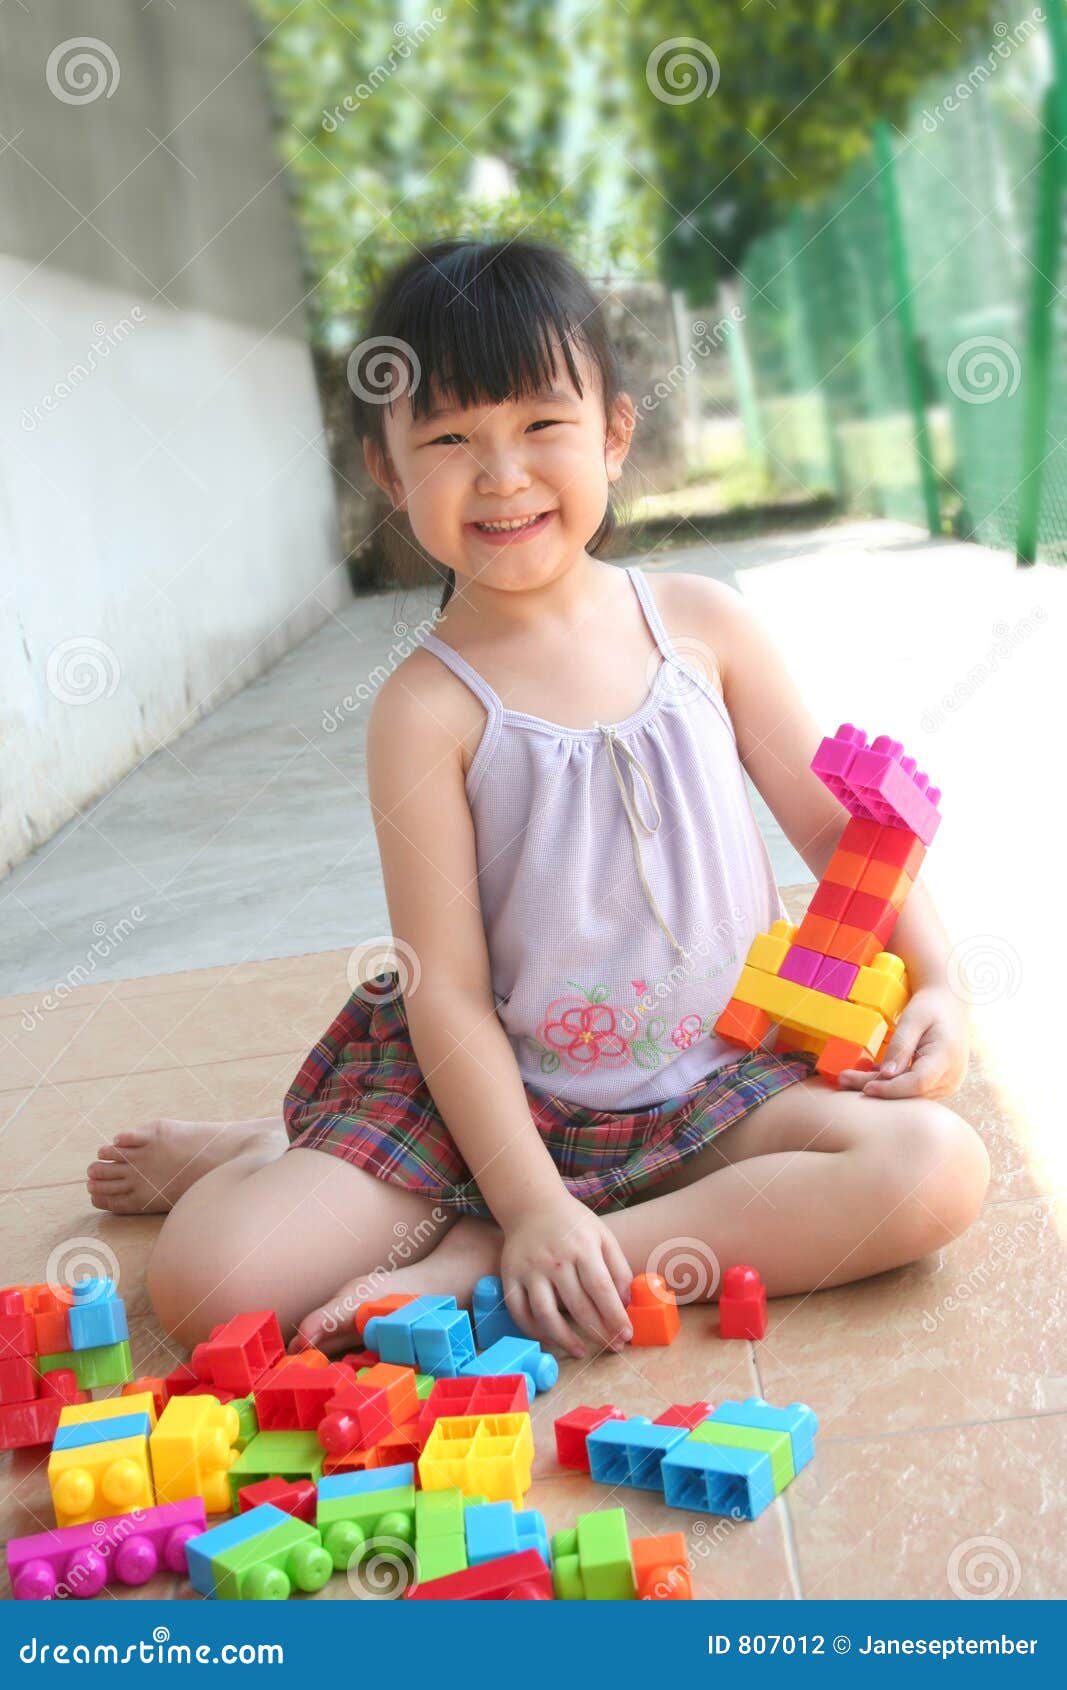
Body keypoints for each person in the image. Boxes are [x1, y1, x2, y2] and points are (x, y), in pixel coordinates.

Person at [87, 240, 988, 1360]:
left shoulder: (704, 628)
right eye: (450, 439)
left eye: (539, 426)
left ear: (612, 432)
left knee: (935, 1172)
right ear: (388, 469)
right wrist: (529, 1192)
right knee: (206, 1285)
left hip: (713, 1079)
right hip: (491, 1092)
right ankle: (274, 1149)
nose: (501, 475)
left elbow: (843, 835)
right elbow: (450, 995)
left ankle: (511, 1263)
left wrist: (941, 985)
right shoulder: (424, 709)